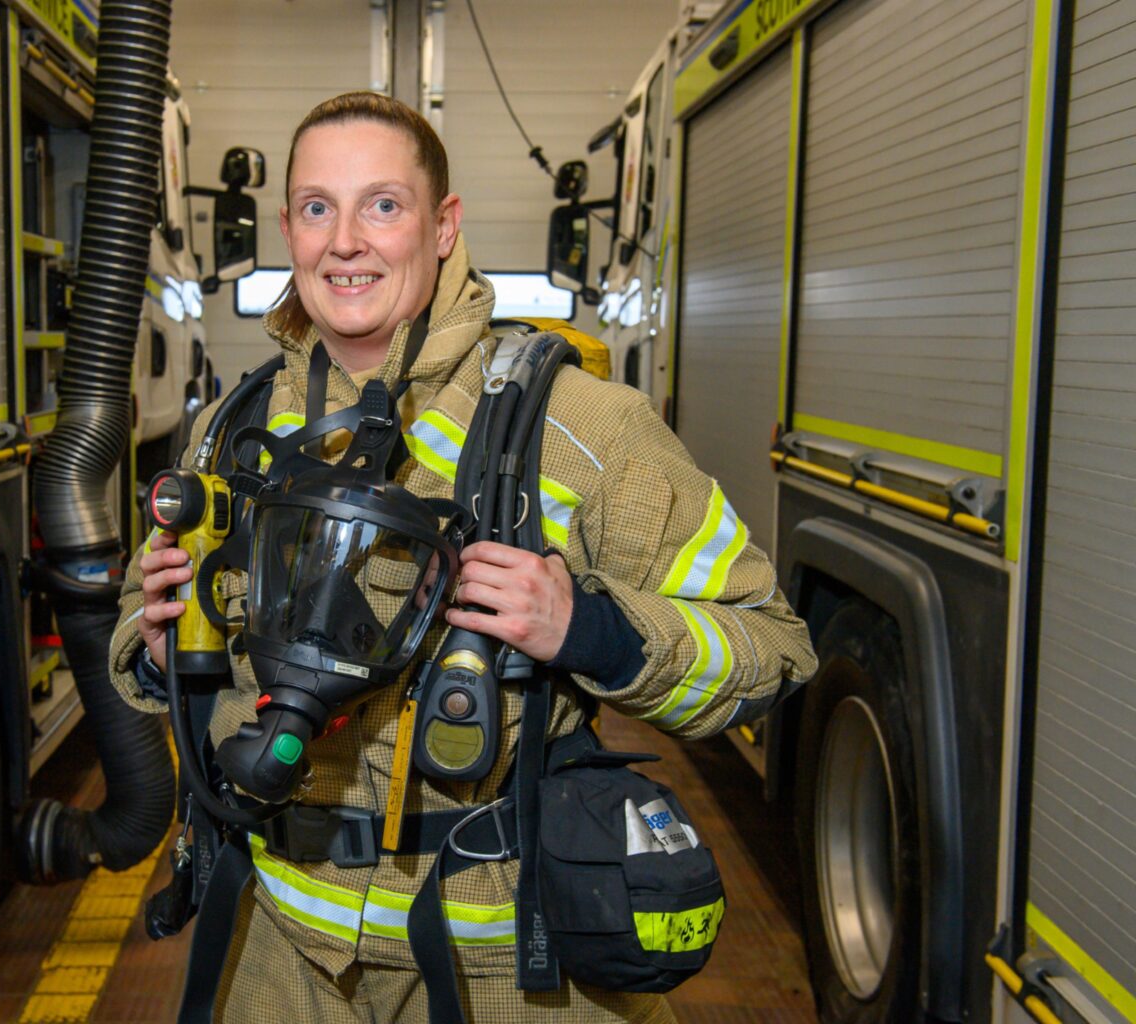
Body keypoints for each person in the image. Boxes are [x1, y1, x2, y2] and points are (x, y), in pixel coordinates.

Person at [108, 91, 817, 1022]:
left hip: (505, 977)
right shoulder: (228, 428)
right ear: (287, 230)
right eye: (319, 208)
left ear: (444, 227)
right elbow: (139, 624)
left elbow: (772, 648)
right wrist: (157, 649)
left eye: (384, 206)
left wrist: (589, 628)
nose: (347, 241)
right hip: (273, 958)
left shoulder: (578, 426)